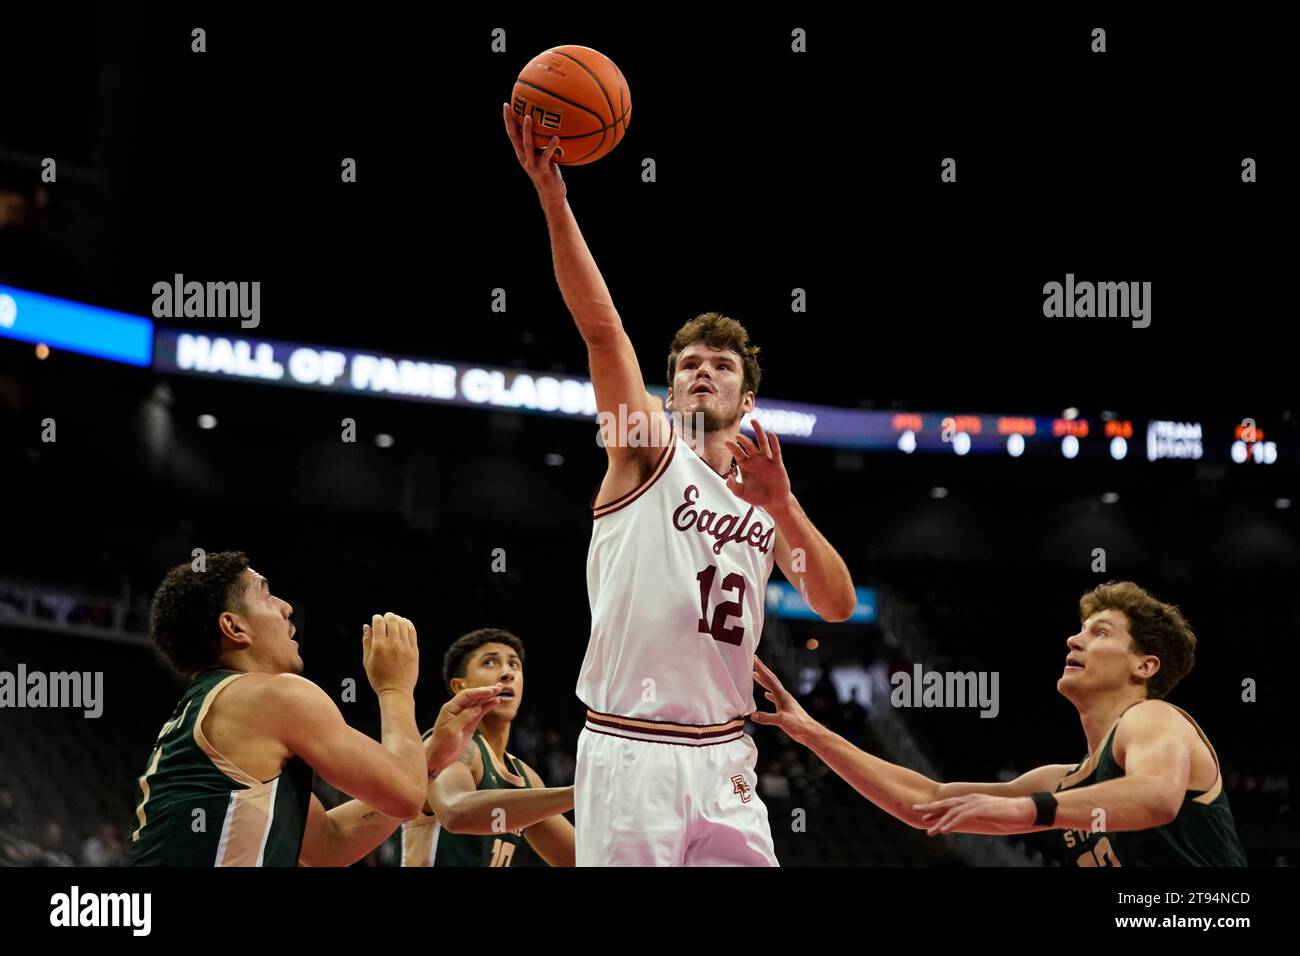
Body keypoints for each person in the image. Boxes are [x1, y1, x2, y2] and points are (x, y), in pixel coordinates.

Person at [504, 107, 857, 866]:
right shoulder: (645, 451)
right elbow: (603, 333)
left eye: (721, 366)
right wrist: (555, 201)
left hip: (727, 755)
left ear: (748, 399)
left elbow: (835, 604)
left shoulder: (768, 495)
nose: (702, 371)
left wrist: (783, 506)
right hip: (632, 747)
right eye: (688, 364)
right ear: (667, 395)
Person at [752, 581, 1248, 866]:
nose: (1073, 641)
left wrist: (1028, 811)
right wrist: (811, 731)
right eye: (1077, 631)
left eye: (1098, 633)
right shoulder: (1063, 780)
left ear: (1145, 666)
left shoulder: (1154, 718)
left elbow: (1155, 798)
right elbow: (926, 804)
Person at [125, 551, 502, 866]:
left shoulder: (212, 708)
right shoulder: (269, 696)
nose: (286, 607)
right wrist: (394, 688)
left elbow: (331, 845)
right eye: (266, 595)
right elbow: (404, 795)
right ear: (234, 627)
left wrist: (430, 761)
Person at [403, 629, 575, 866]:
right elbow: (455, 812)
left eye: (514, 665)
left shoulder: (524, 777)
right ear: (460, 686)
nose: (507, 673)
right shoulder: (449, 748)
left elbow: (581, 858)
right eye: (490, 662)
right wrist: (578, 792)